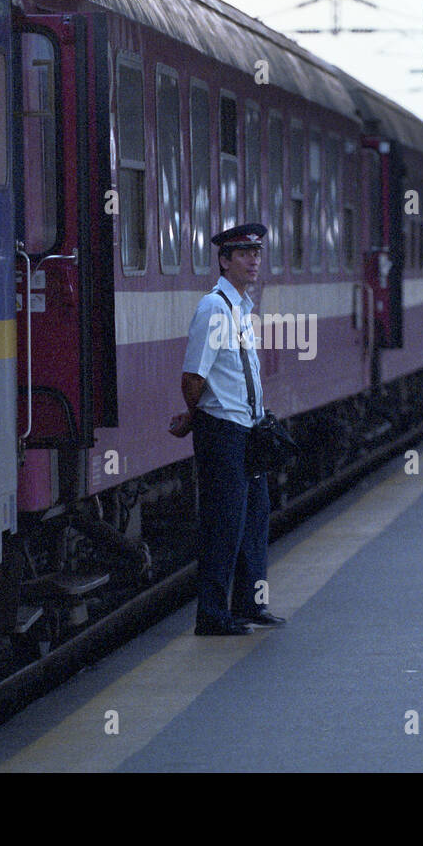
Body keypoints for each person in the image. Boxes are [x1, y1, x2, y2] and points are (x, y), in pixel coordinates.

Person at [169, 223, 285, 636]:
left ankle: (251, 605)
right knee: (224, 523)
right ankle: (213, 615)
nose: (254, 260)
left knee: (254, 521)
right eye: (243, 254)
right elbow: (193, 376)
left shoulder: (241, 307)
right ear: (223, 260)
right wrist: (193, 415)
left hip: (248, 430)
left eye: (256, 252)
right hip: (223, 432)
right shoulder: (214, 308)